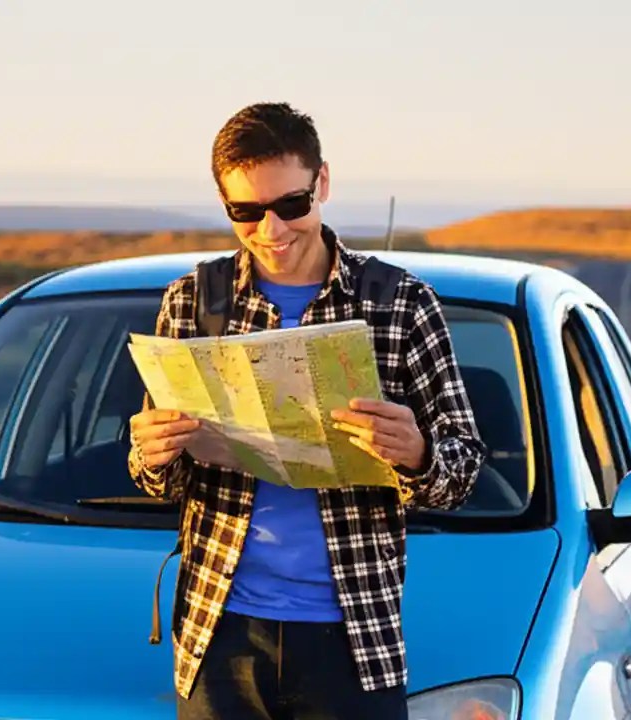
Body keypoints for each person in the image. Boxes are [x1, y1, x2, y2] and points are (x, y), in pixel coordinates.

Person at [128, 101, 487, 720]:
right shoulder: (192, 302)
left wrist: (421, 455)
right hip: (221, 636)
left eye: (292, 205)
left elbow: (465, 468)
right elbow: (159, 478)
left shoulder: (401, 304)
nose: (272, 231)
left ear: (322, 183)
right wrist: (153, 455)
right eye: (246, 212)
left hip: (354, 640)